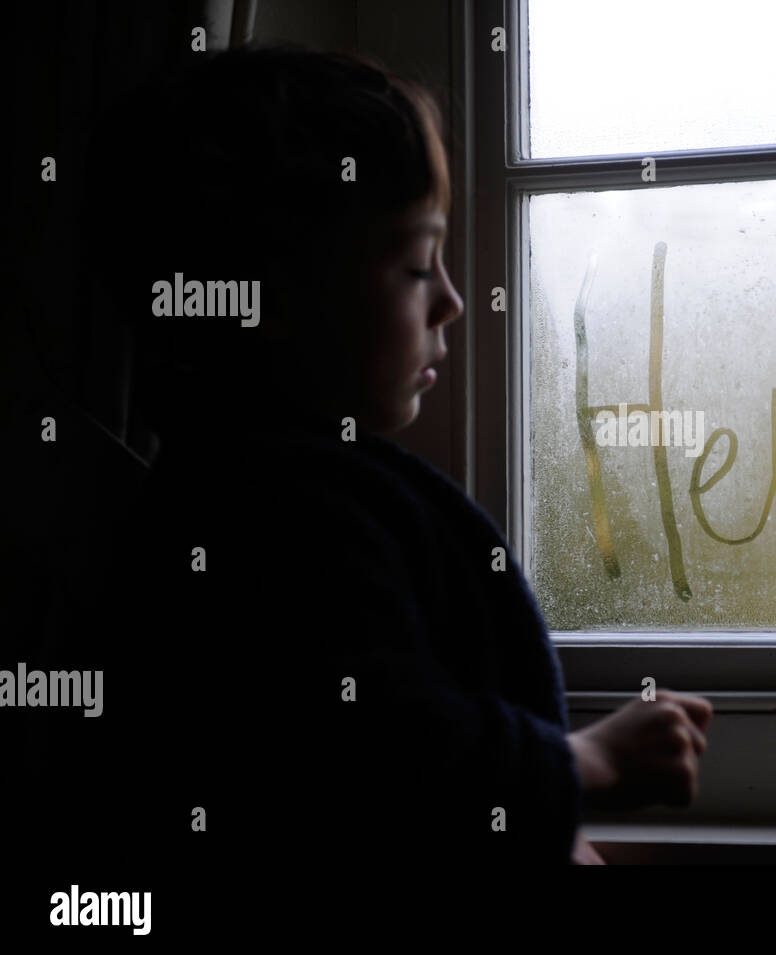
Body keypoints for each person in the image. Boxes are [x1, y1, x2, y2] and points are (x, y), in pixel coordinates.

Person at [29, 42, 711, 876]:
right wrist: (583, 762)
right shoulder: (271, 515)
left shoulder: (261, 489)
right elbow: (369, 749)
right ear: (273, 295)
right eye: (418, 263)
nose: (453, 299)